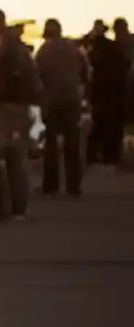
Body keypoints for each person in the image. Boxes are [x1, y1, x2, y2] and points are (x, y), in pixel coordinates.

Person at [0, 8, 42, 220]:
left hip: (5, 105)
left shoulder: (2, 45)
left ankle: (8, 205)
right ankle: (19, 205)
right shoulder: (19, 46)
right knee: (17, 156)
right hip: (22, 105)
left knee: (4, 155)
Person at [34, 19, 86, 197]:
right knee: (73, 143)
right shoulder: (73, 48)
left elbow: (37, 75)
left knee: (51, 144)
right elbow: (85, 71)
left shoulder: (44, 50)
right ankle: (74, 186)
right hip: (72, 99)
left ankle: (51, 185)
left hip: (52, 100)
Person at [85, 20, 130, 167]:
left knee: (100, 124)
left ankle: (96, 155)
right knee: (113, 125)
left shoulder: (95, 47)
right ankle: (111, 155)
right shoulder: (114, 46)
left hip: (103, 91)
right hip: (116, 91)